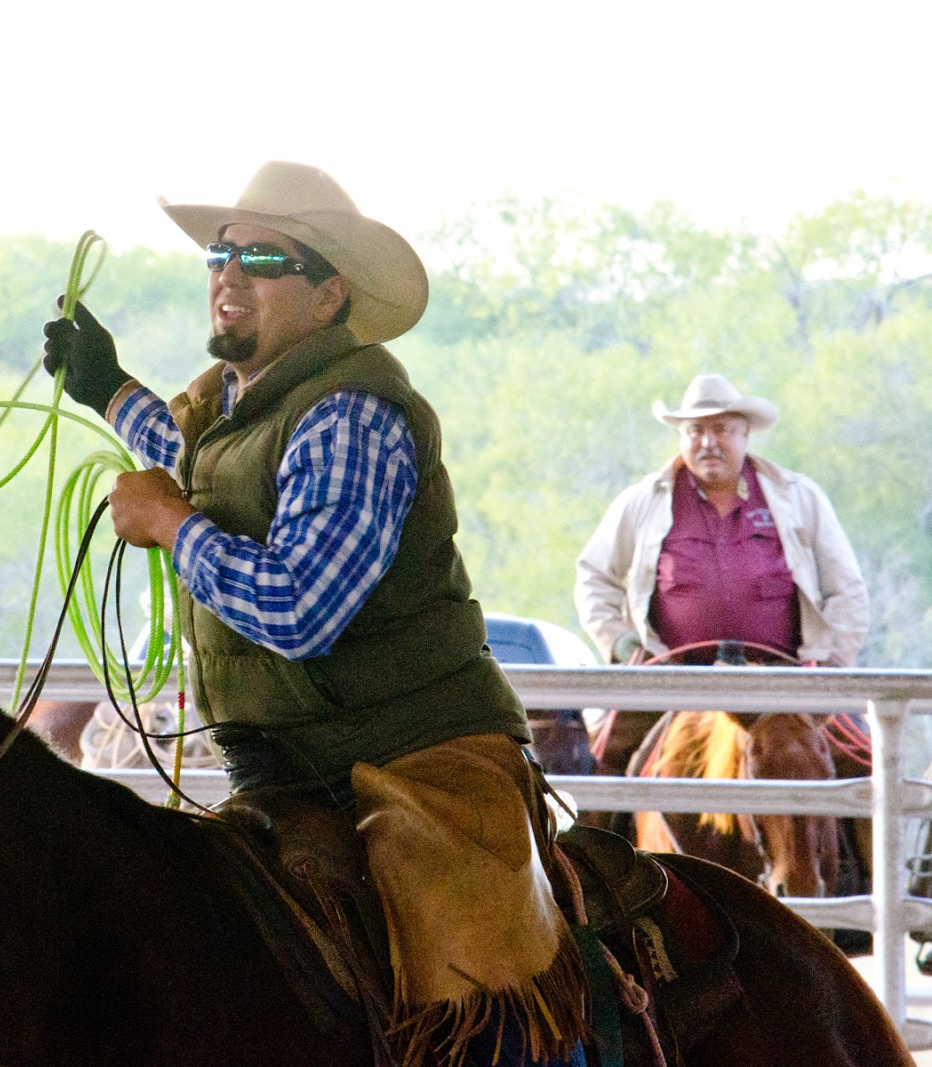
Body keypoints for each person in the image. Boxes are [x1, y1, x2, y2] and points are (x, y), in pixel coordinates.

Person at [43, 162, 585, 1067]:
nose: (229, 272)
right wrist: (107, 389)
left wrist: (173, 527)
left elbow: (302, 609)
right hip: (286, 769)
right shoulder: (235, 401)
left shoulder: (353, 414)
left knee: (483, 1007)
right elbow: (204, 456)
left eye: (262, 256)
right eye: (220, 253)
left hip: (422, 763)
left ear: (329, 295)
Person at [574, 373, 869, 773]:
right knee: (605, 769)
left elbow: (847, 590)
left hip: (787, 681)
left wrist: (831, 662)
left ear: (745, 434)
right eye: (695, 431)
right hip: (670, 681)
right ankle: (591, 835)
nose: (708, 442)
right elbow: (593, 576)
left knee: (865, 764)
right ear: (681, 437)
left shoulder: (798, 497)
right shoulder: (643, 501)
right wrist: (625, 646)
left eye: (721, 430)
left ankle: (888, 836)